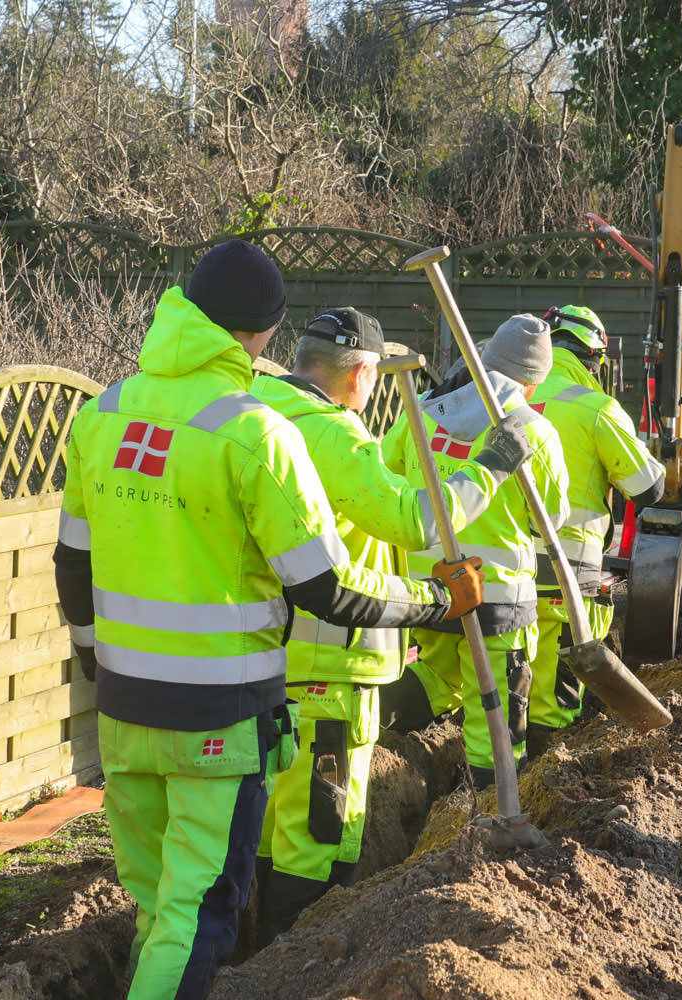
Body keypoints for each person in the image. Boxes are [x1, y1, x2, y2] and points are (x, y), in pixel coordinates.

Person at [51, 241, 483, 1000]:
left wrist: (95, 659)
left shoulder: (104, 413)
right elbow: (329, 591)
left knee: (158, 906)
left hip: (120, 714)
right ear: (263, 334)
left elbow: (72, 566)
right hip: (218, 726)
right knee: (198, 913)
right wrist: (438, 603)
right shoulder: (256, 435)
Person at [245, 307, 533, 943]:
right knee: (319, 837)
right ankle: (296, 967)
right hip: (327, 670)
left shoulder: (254, 411)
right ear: (362, 374)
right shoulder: (329, 434)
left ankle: (257, 958)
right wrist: (492, 465)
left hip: (261, 661)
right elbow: (415, 520)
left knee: (269, 822)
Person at [379, 314, 570, 787]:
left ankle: (380, 742)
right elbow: (549, 518)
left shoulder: (421, 410)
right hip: (496, 599)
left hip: (428, 588)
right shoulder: (532, 431)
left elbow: (389, 478)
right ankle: (493, 808)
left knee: (437, 678)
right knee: (497, 714)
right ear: (532, 382)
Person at [524, 305, 664, 759]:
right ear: (594, 359)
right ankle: (547, 777)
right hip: (566, 573)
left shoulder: (499, 397)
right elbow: (648, 488)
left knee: (497, 679)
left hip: (498, 567)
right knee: (555, 690)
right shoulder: (597, 409)